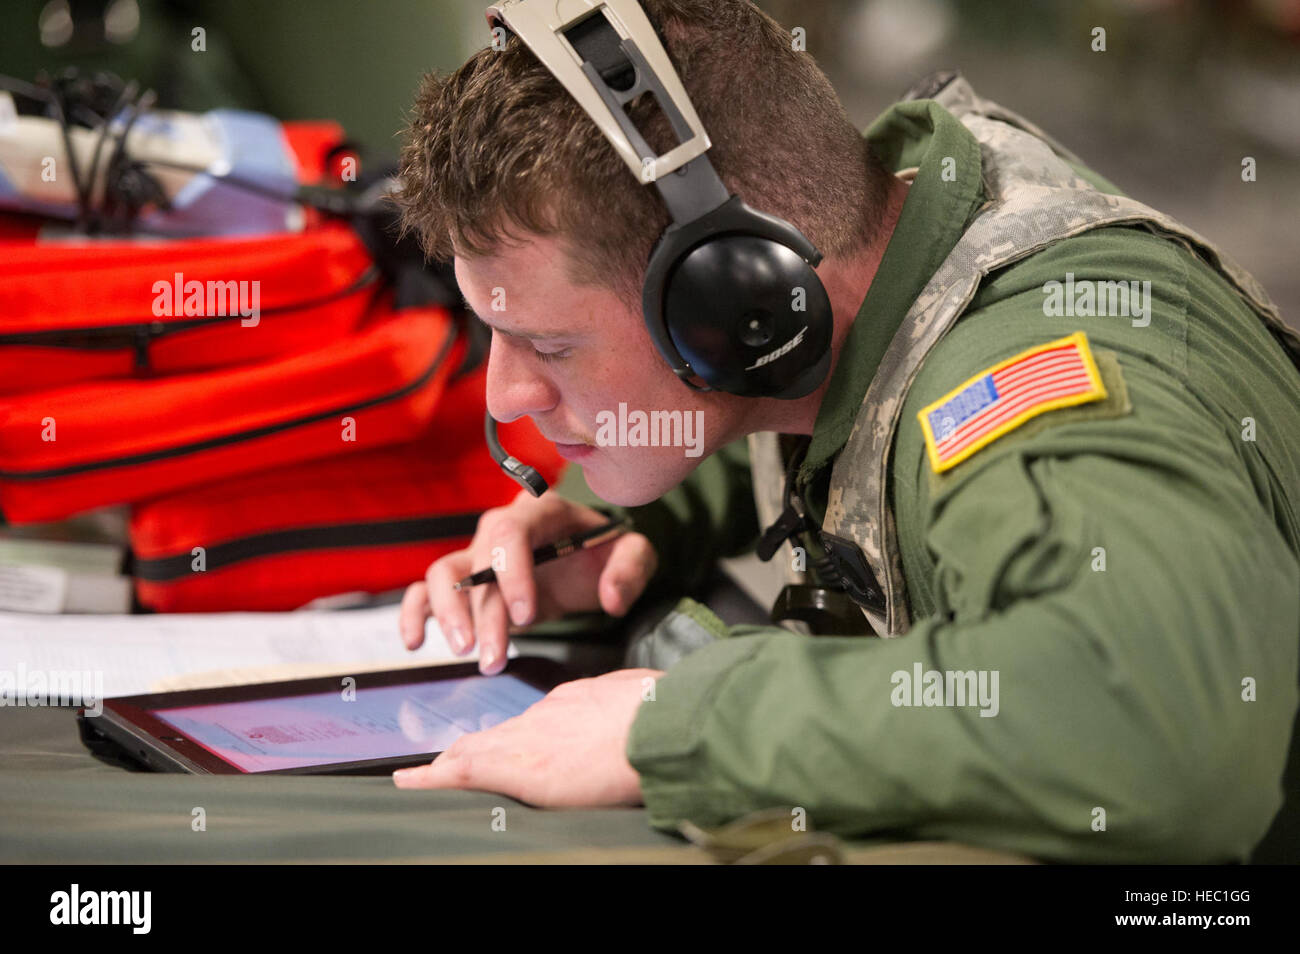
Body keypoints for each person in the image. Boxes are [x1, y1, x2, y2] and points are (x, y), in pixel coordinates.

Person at [388, 0, 1300, 863]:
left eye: (548, 343)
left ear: (731, 299)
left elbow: (1156, 724)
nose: (506, 395)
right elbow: (832, 404)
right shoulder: (861, 246)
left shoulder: (1025, 398)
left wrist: (673, 725)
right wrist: (636, 527)